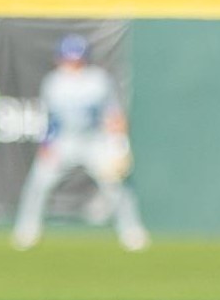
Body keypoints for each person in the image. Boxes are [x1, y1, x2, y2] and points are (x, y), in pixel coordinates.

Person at [11, 33, 150, 252]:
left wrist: (118, 144)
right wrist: (47, 145)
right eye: (68, 58)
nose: (72, 63)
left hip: (93, 140)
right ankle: (27, 231)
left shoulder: (98, 80)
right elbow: (49, 118)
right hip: (63, 140)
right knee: (38, 183)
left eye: (76, 59)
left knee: (117, 186)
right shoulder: (53, 82)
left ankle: (131, 231)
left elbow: (113, 115)